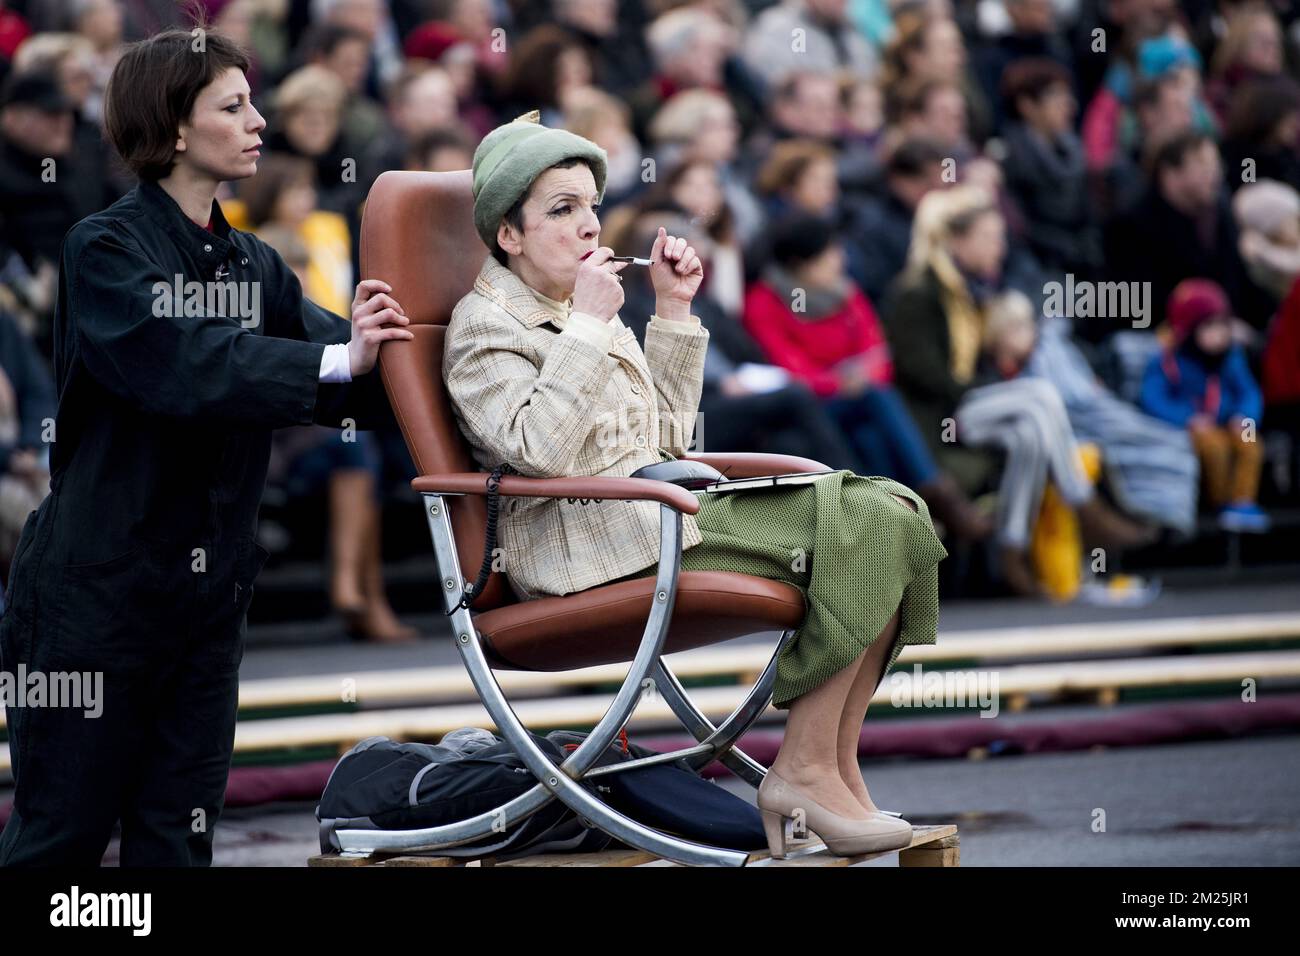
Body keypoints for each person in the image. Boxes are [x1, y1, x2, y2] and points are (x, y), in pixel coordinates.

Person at [442, 111, 948, 858]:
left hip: (657, 515)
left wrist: (673, 313)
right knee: (871, 519)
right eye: (561, 209)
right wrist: (587, 328)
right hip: (585, 553)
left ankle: (830, 769)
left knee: (895, 510)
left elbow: (667, 441)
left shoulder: (579, 302)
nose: (588, 225)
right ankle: (803, 772)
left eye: (589, 204)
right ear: (507, 234)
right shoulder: (485, 327)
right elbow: (538, 453)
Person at [0, 27, 414, 867]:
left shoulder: (255, 263)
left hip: (205, 606)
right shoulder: (103, 247)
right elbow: (184, 362)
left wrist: (502, 355)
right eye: (234, 105)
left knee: (177, 846)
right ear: (175, 129)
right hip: (92, 607)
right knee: (58, 844)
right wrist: (342, 356)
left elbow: (359, 377)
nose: (260, 120)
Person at [884, 186, 1156, 595]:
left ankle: (1011, 552)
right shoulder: (916, 292)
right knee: (1040, 394)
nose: (1000, 248)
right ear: (958, 241)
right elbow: (928, 377)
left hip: (973, 408)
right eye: (990, 238)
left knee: (1028, 429)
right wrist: (987, 387)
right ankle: (1084, 506)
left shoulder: (973, 291)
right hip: (940, 420)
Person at [1140, 279, 1269, 532]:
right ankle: (1221, 502)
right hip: (1196, 428)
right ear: (1188, 329)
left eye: (1223, 325)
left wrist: (1245, 416)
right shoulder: (1169, 361)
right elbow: (1152, 399)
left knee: (1250, 442)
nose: (1219, 334)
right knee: (1215, 449)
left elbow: (1249, 392)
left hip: (1231, 422)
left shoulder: (1230, 357)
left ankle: (1242, 502)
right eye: (1209, 327)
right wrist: (1187, 418)